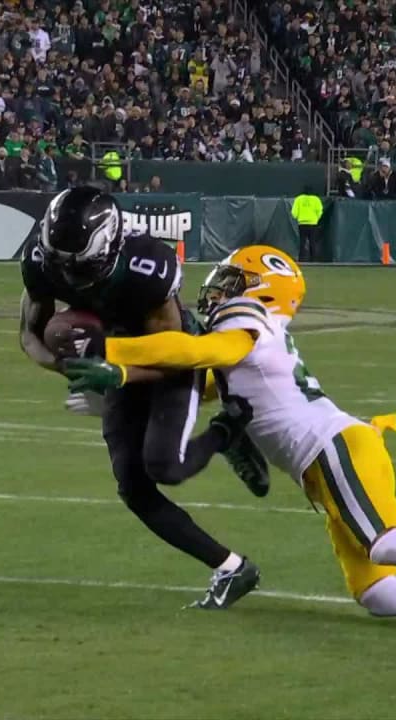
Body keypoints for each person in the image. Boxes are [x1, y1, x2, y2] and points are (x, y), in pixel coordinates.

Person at [62, 246, 396, 645]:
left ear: (262, 289)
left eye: (234, 281)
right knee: (380, 594)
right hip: (326, 460)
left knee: (386, 541)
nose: (220, 290)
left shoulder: (247, 324)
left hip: (332, 446)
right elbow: (195, 383)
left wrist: (113, 351)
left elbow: (195, 350)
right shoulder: (253, 337)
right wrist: (120, 384)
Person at [18, 186, 269, 610]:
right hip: (113, 356)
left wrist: (116, 371)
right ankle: (231, 568)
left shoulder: (146, 267)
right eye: (64, 267)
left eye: (83, 267)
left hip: (166, 356)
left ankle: (226, 431)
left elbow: (173, 355)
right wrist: (69, 366)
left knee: (165, 466)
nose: (72, 278)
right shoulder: (43, 262)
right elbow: (29, 334)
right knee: (133, 487)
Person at [290, 185, 323, 262]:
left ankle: (301, 260)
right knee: (313, 242)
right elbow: (320, 211)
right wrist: (315, 219)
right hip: (313, 224)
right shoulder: (316, 199)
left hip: (302, 224)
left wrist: (298, 217)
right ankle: (313, 260)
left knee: (302, 242)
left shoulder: (298, 199)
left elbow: (294, 213)